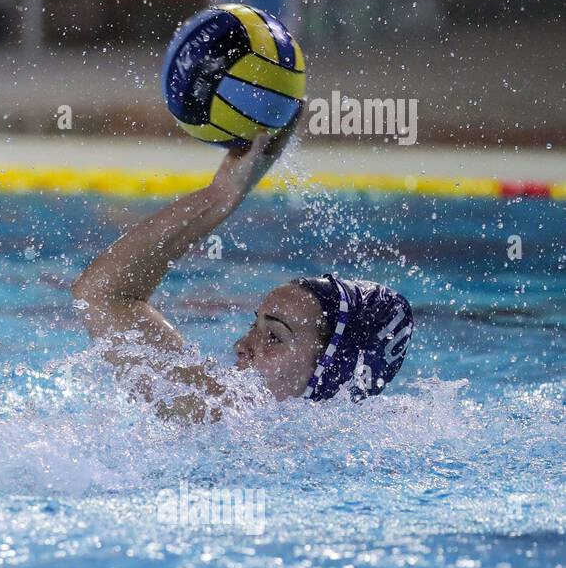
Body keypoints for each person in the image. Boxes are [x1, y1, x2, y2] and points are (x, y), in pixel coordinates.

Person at [71, 113, 414, 421]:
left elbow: (105, 295)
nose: (241, 345)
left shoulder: (224, 420)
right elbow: (104, 297)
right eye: (256, 325)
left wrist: (219, 199)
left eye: (274, 337)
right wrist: (218, 194)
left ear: (331, 374)